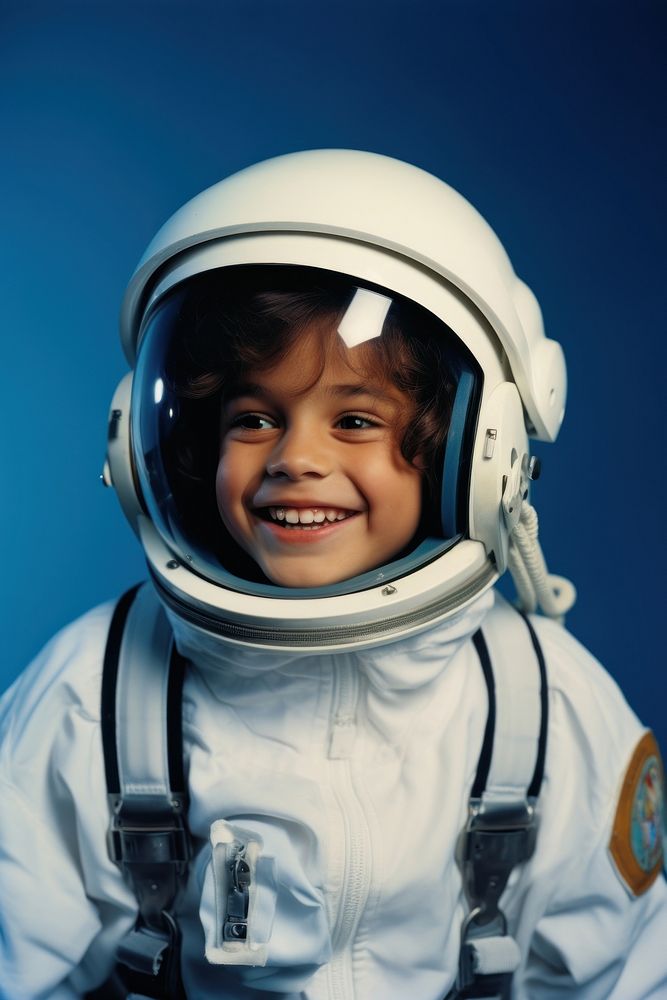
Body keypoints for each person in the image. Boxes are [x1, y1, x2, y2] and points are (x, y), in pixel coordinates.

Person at [1, 149, 665, 1000]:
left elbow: (625, 975)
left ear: (478, 456)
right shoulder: (93, 698)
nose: (294, 458)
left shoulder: (546, 705)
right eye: (253, 419)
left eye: (354, 418)